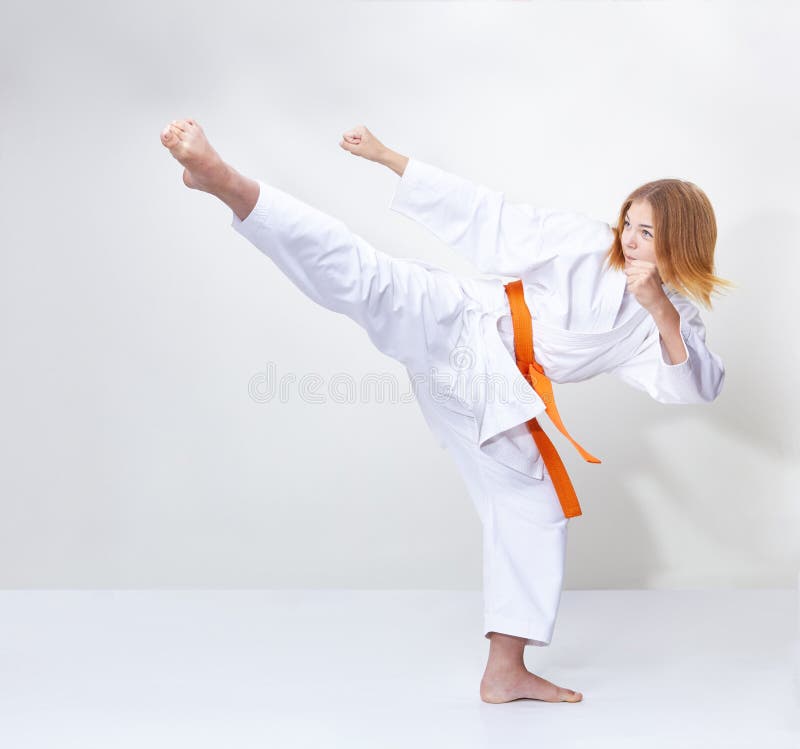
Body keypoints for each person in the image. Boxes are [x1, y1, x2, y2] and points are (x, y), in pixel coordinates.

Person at [159, 119, 729, 704]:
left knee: (531, 507)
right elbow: (493, 217)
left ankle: (504, 671)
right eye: (628, 223)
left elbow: (695, 385)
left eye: (647, 232)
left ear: (681, 243)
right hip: (463, 317)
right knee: (365, 276)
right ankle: (226, 181)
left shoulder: (671, 315)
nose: (630, 241)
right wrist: (388, 157)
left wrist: (658, 307)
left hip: (493, 386)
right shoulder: (587, 243)